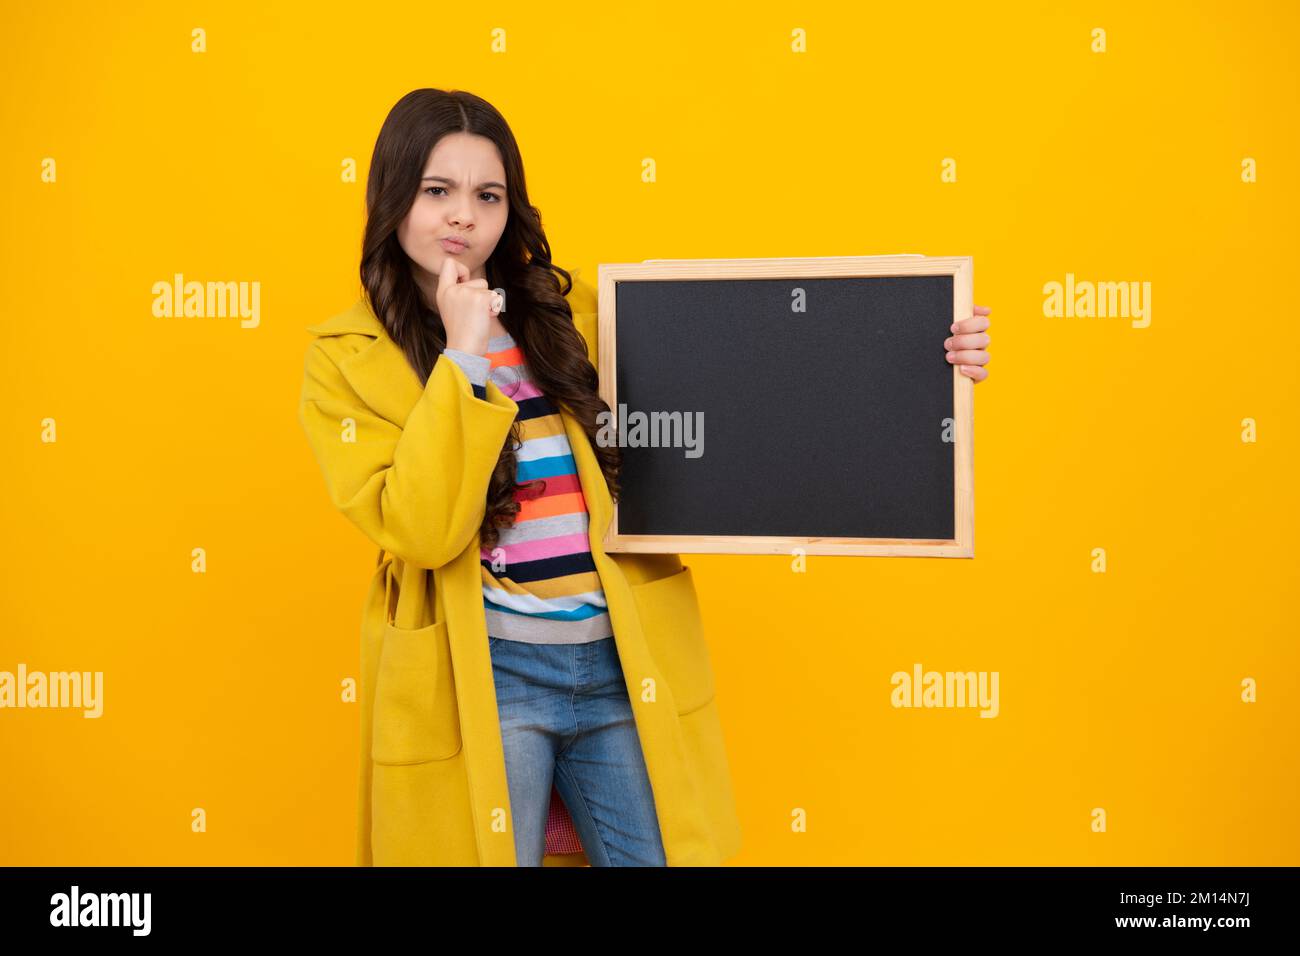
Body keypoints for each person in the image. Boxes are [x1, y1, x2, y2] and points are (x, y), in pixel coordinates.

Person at [299, 88, 992, 868]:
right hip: (483, 674)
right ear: (392, 196)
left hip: (619, 665)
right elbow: (419, 529)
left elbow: (759, 387)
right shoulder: (344, 359)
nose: (463, 215)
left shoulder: (579, 315)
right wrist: (462, 357)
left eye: (487, 195)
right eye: (437, 191)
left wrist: (919, 354)